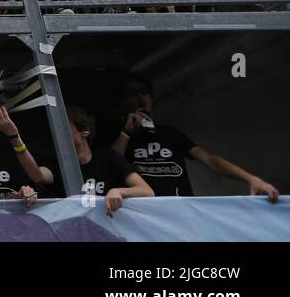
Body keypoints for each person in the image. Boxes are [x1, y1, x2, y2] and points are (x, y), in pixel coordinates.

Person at [113, 73, 279, 201]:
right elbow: (109, 168)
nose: (140, 98)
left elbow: (210, 160)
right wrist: (125, 134)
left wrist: (251, 179)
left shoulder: (171, 134)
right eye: (133, 93)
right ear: (124, 100)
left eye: (144, 92)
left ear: (152, 97)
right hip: (139, 221)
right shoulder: (117, 135)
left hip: (181, 218)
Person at [62, 105, 152, 216]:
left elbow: (147, 192)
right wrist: (33, 191)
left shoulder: (108, 158)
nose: (59, 133)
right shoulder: (59, 165)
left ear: (85, 131)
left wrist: (119, 191)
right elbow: (40, 175)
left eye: (64, 127)